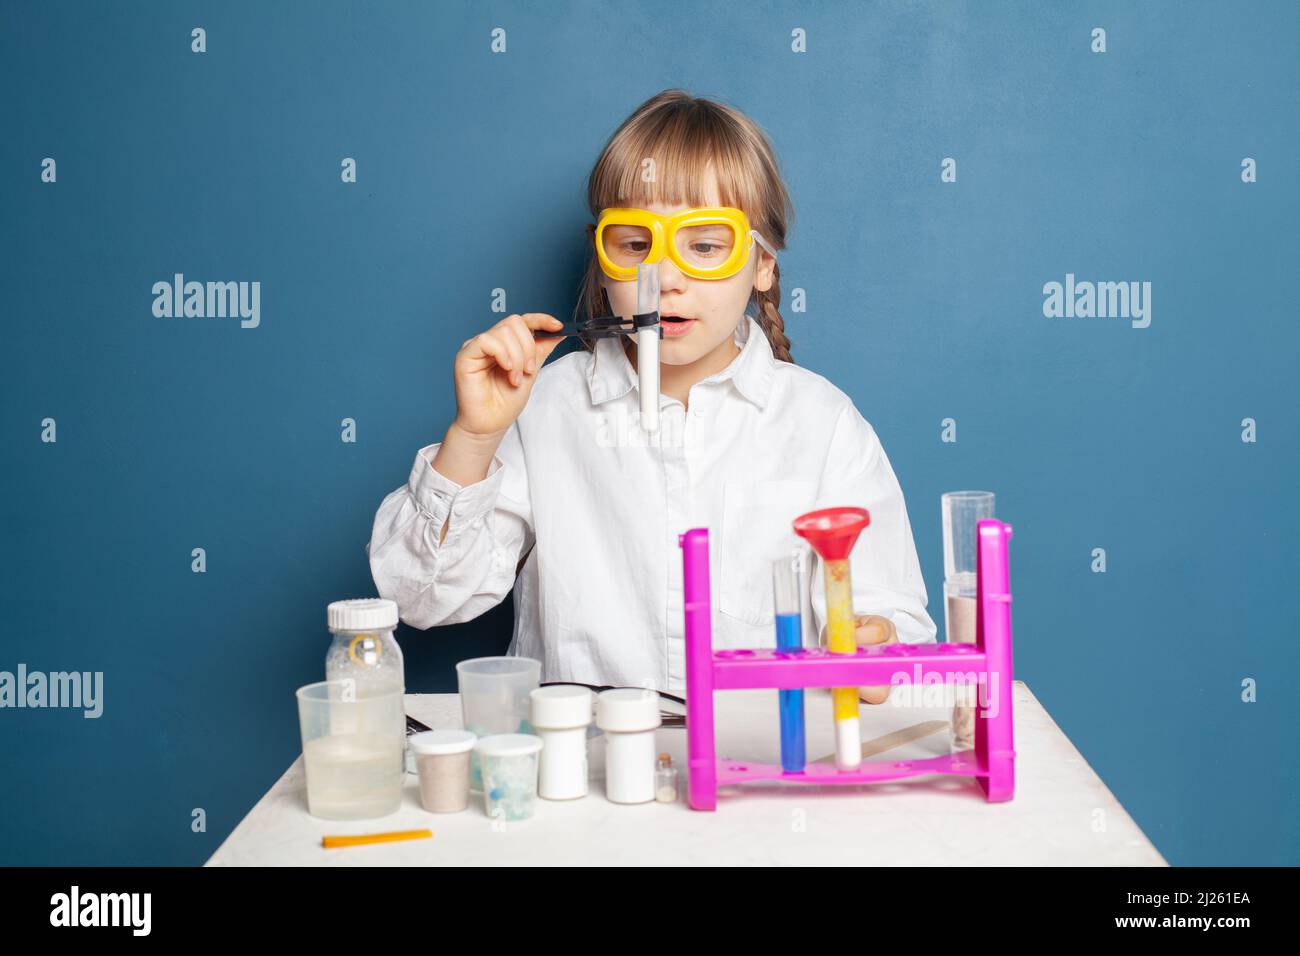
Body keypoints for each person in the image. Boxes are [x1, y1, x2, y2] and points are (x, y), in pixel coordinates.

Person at [368, 89, 936, 699]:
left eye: (705, 245)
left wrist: (877, 643)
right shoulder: (546, 407)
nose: (664, 278)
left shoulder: (822, 424)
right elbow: (420, 598)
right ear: (603, 256)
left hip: (758, 769)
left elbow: (893, 626)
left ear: (762, 262)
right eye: (637, 245)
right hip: (584, 772)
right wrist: (474, 437)